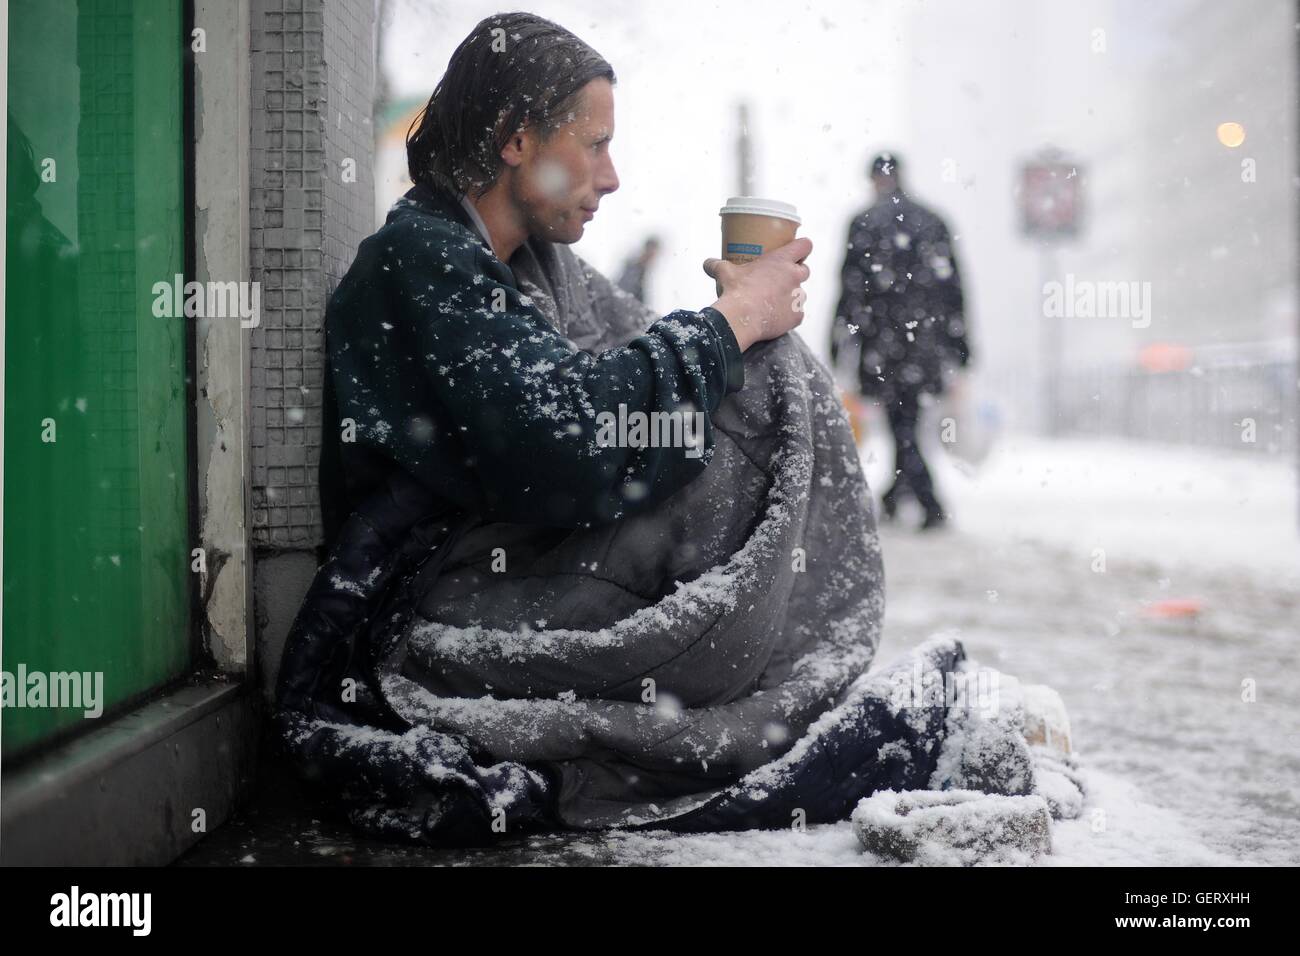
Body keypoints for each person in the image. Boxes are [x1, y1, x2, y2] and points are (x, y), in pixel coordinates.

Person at [830, 152, 971, 530]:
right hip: (925, 341)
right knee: (906, 419)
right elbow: (954, 287)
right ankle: (899, 494)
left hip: (883, 343)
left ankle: (927, 502)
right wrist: (961, 344)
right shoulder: (934, 220)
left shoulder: (863, 223)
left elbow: (849, 290)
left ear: (875, 179)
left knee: (901, 420)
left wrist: (840, 339)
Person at [615, 235, 661, 303]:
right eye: (653, 253)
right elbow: (623, 294)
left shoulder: (642, 271)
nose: (654, 258)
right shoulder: (634, 269)